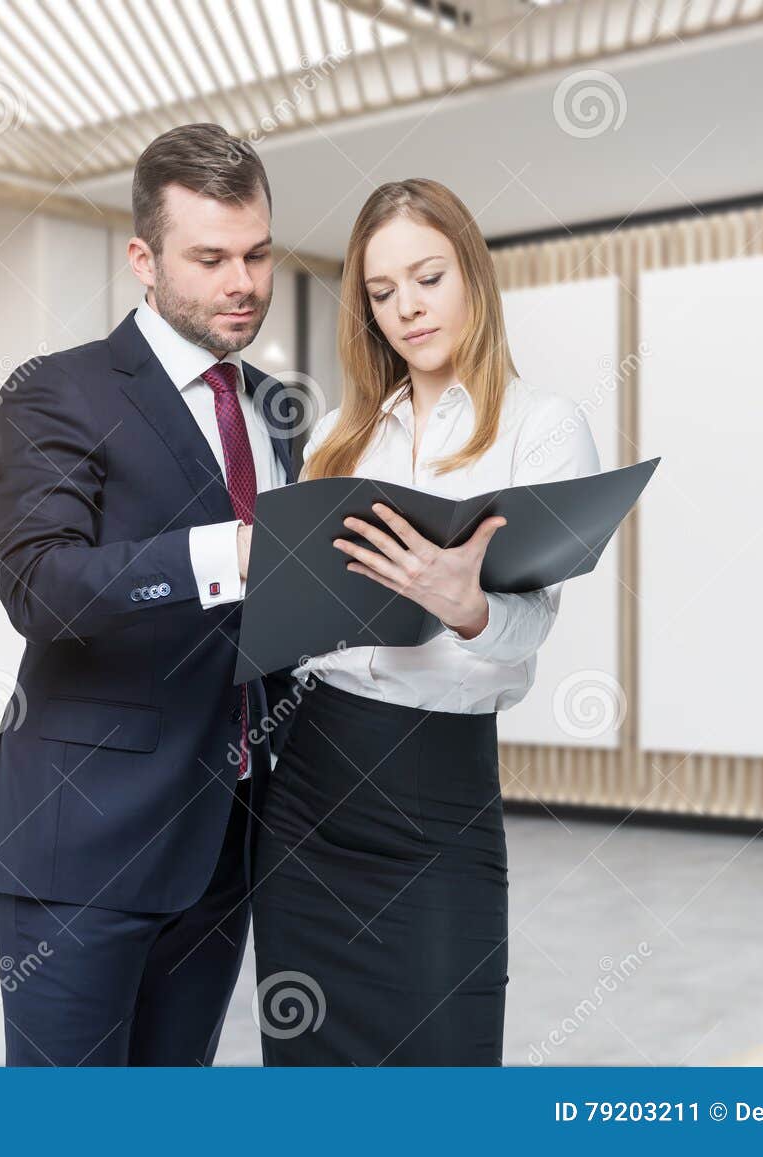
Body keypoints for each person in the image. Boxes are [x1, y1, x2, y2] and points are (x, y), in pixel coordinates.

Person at [0, 123, 300, 1066]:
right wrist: (226, 553)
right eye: (211, 259)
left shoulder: (276, 409)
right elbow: (39, 586)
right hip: (84, 844)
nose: (243, 282)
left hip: (222, 838)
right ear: (143, 260)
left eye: (258, 254)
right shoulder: (58, 390)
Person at [249, 178, 601, 1065]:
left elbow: (532, 627)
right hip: (311, 791)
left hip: (438, 796)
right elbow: (300, 608)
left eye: (428, 277)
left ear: (472, 274)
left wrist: (466, 607)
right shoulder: (337, 434)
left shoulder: (542, 427)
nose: (406, 307)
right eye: (381, 292)